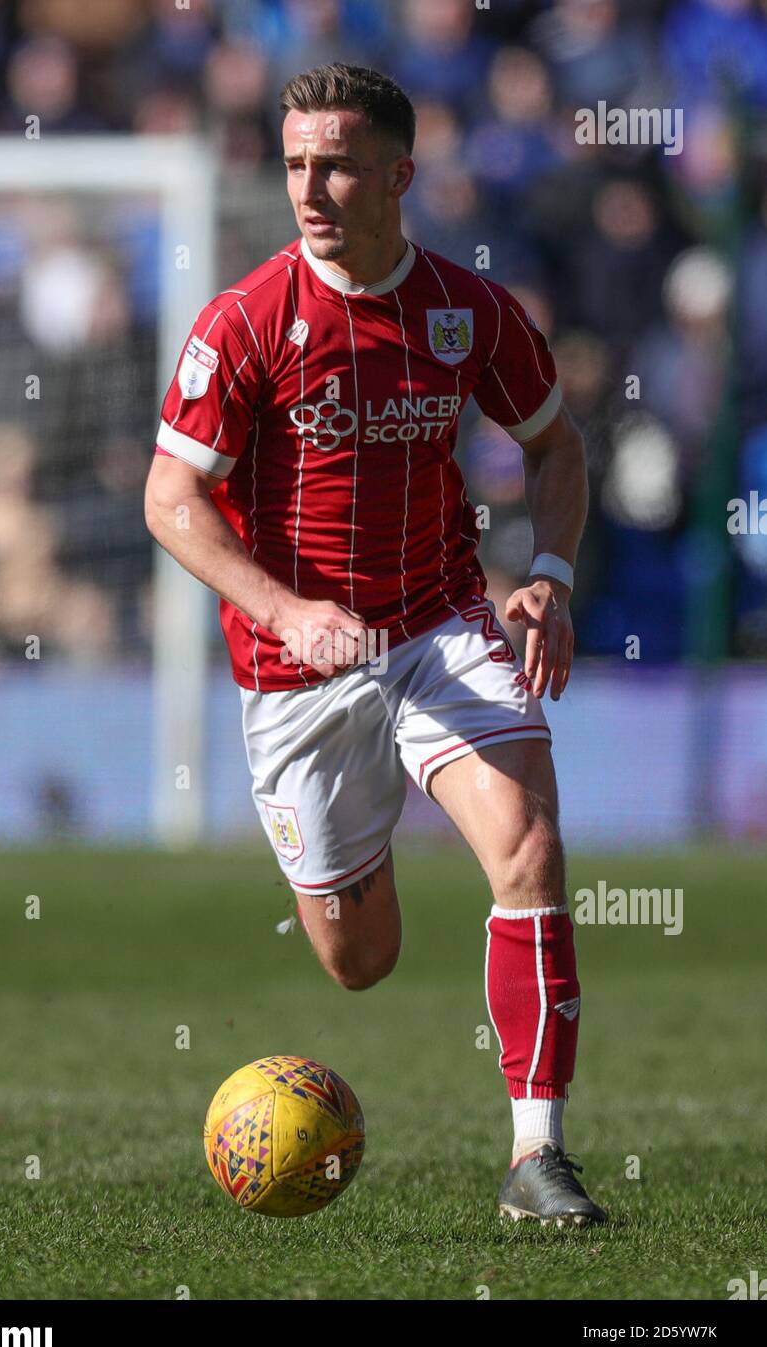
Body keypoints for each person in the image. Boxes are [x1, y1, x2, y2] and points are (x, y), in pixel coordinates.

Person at [145, 63, 603, 1226]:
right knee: (360, 961)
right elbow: (169, 500)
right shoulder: (247, 319)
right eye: (295, 163)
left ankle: (534, 1158)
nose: (310, 186)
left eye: (336, 163)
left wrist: (546, 575)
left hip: (440, 625)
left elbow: (555, 447)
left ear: (399, 175)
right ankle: (364, 846)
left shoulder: (467, 310)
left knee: (529, 847)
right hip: (298, 670)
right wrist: (285, 610)